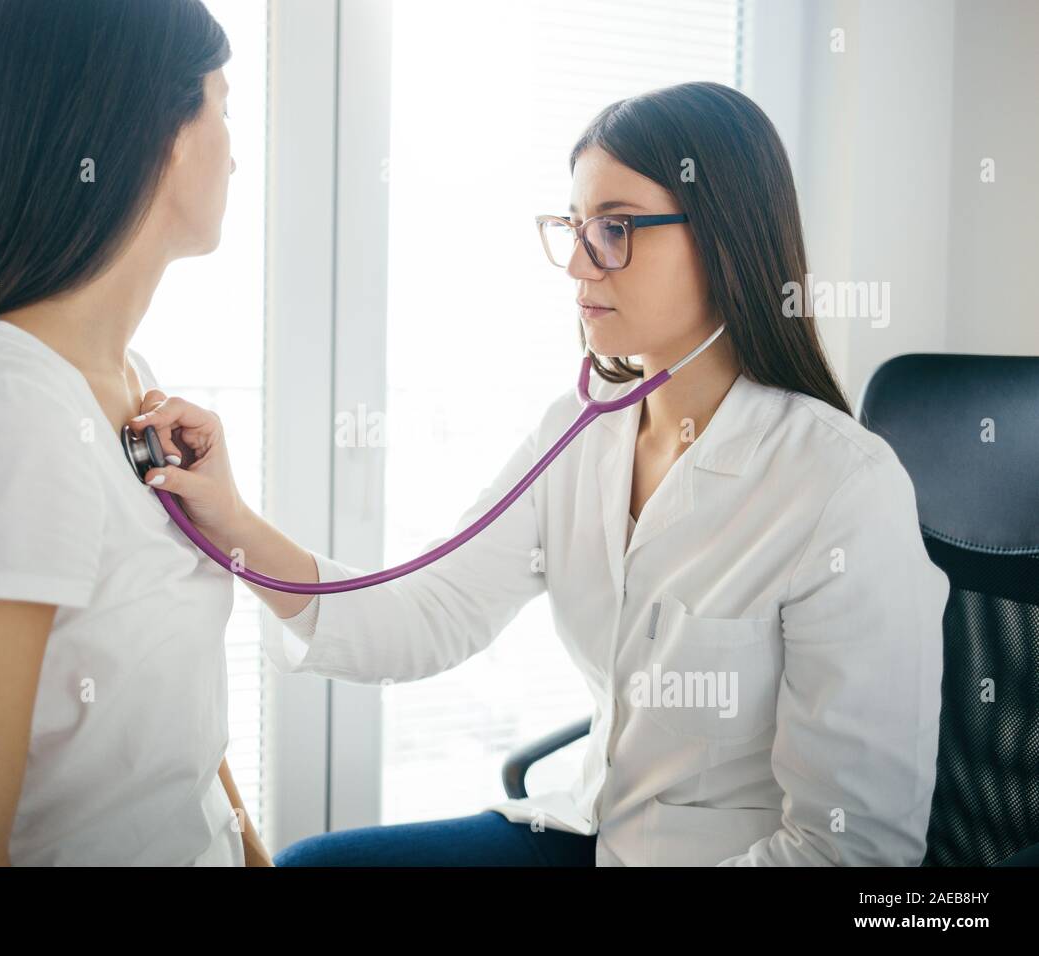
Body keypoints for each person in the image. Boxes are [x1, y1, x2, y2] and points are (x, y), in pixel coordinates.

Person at [129, 81, 952, 866]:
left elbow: (853, 849)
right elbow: (430, 611)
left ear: (726, 237)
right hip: (587, 830)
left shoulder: (841, 489)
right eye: (575, 226)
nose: (579, 266)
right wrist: (231, 522)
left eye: (617, 228)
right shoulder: (582, 430)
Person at [0, 0, 268, 866]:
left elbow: (163, 725)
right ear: (162, 132)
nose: (237, 149)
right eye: (224, 105)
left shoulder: (128, 377)